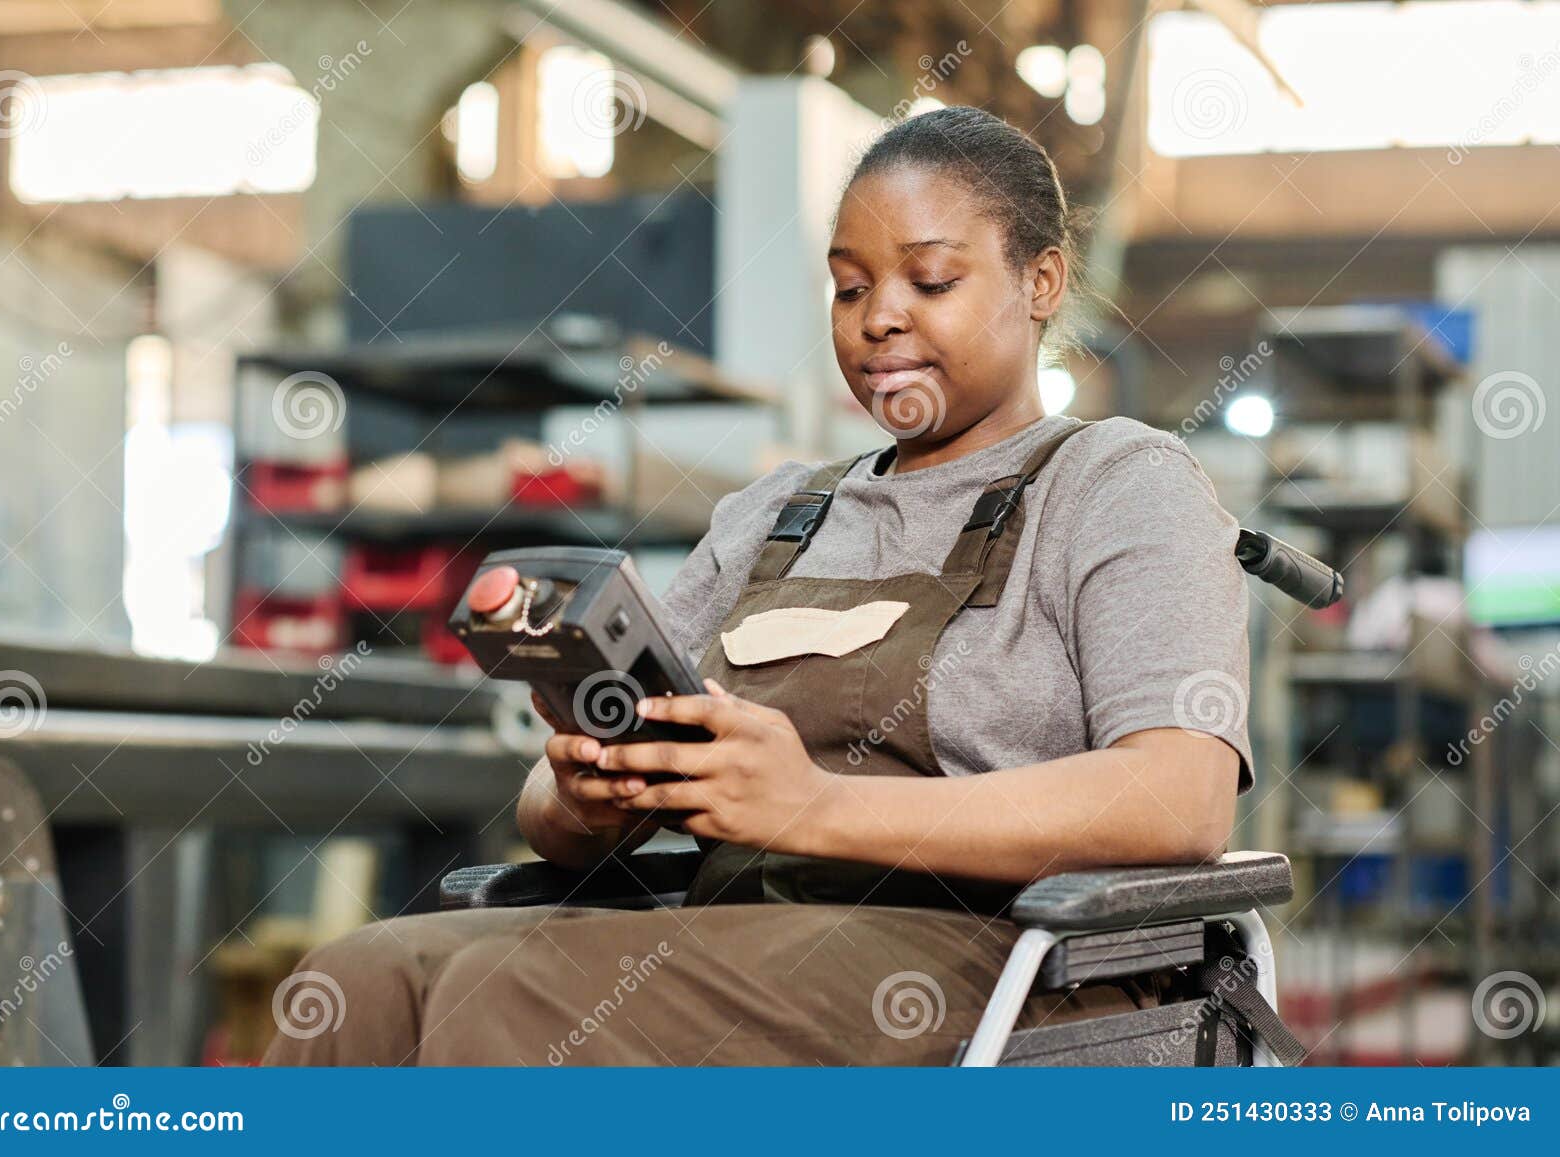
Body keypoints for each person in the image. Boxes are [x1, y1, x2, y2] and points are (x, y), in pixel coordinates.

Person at [262, 105, 1251, 1067]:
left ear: (1041, 280)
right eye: (849, 288)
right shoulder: (778, 514)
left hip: (998, 964)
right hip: (738, 936)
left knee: (505, 999)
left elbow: (1180, 795)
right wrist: (586, 798)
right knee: (362, 981)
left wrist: (815, 806)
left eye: (931, 279)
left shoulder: (1117, 482)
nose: (879, 318)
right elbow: (546, 803)